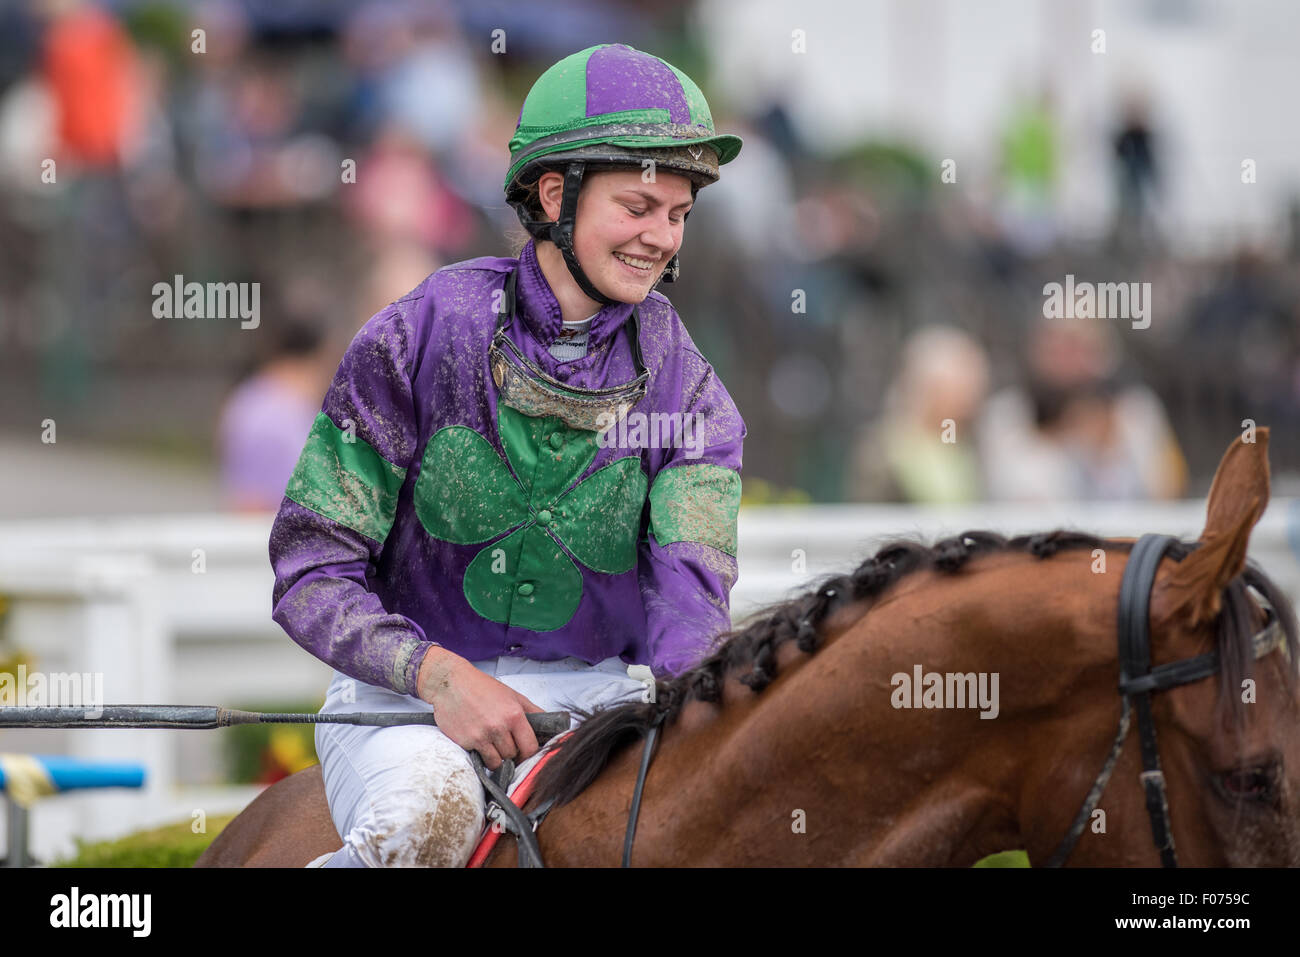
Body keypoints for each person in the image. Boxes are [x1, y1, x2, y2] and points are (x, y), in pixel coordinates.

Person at [268, 43, 746, 867]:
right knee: (427, 823)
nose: (661, 237)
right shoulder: (412, 336)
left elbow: (691, 609)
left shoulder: (693, 396)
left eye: (677, 214)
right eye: (638, 206)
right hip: (402, 699)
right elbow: (311, 568)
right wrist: (440, 676)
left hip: (599, 704)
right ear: (555, 194)